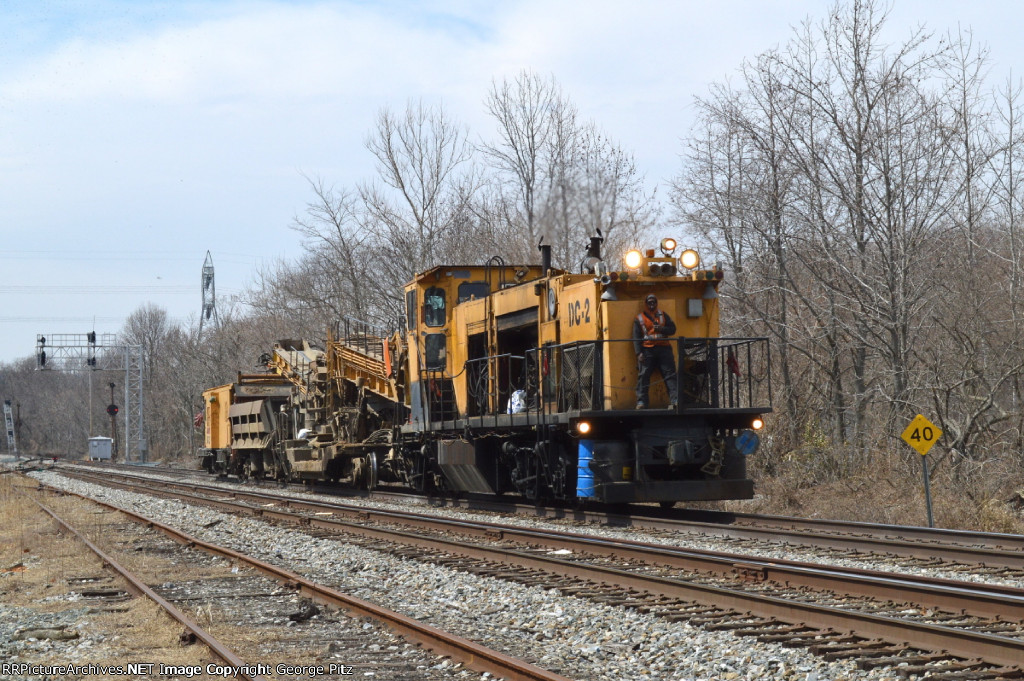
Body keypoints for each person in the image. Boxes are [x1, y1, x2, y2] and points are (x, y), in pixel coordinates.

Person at [632, 294, 678, 409]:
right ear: (646, 304)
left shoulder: (663, 315)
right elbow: (636, 337)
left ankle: (675, 401)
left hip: (664, 349)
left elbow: (673, 329)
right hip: (648, 350)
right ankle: (642, 402)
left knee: (670, 374)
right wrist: (639, 353)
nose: (652, 304)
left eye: (654, 302)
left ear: (657, 303)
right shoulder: (639, 318)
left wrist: (662, 329)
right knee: (643, 375)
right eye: (649, 302)